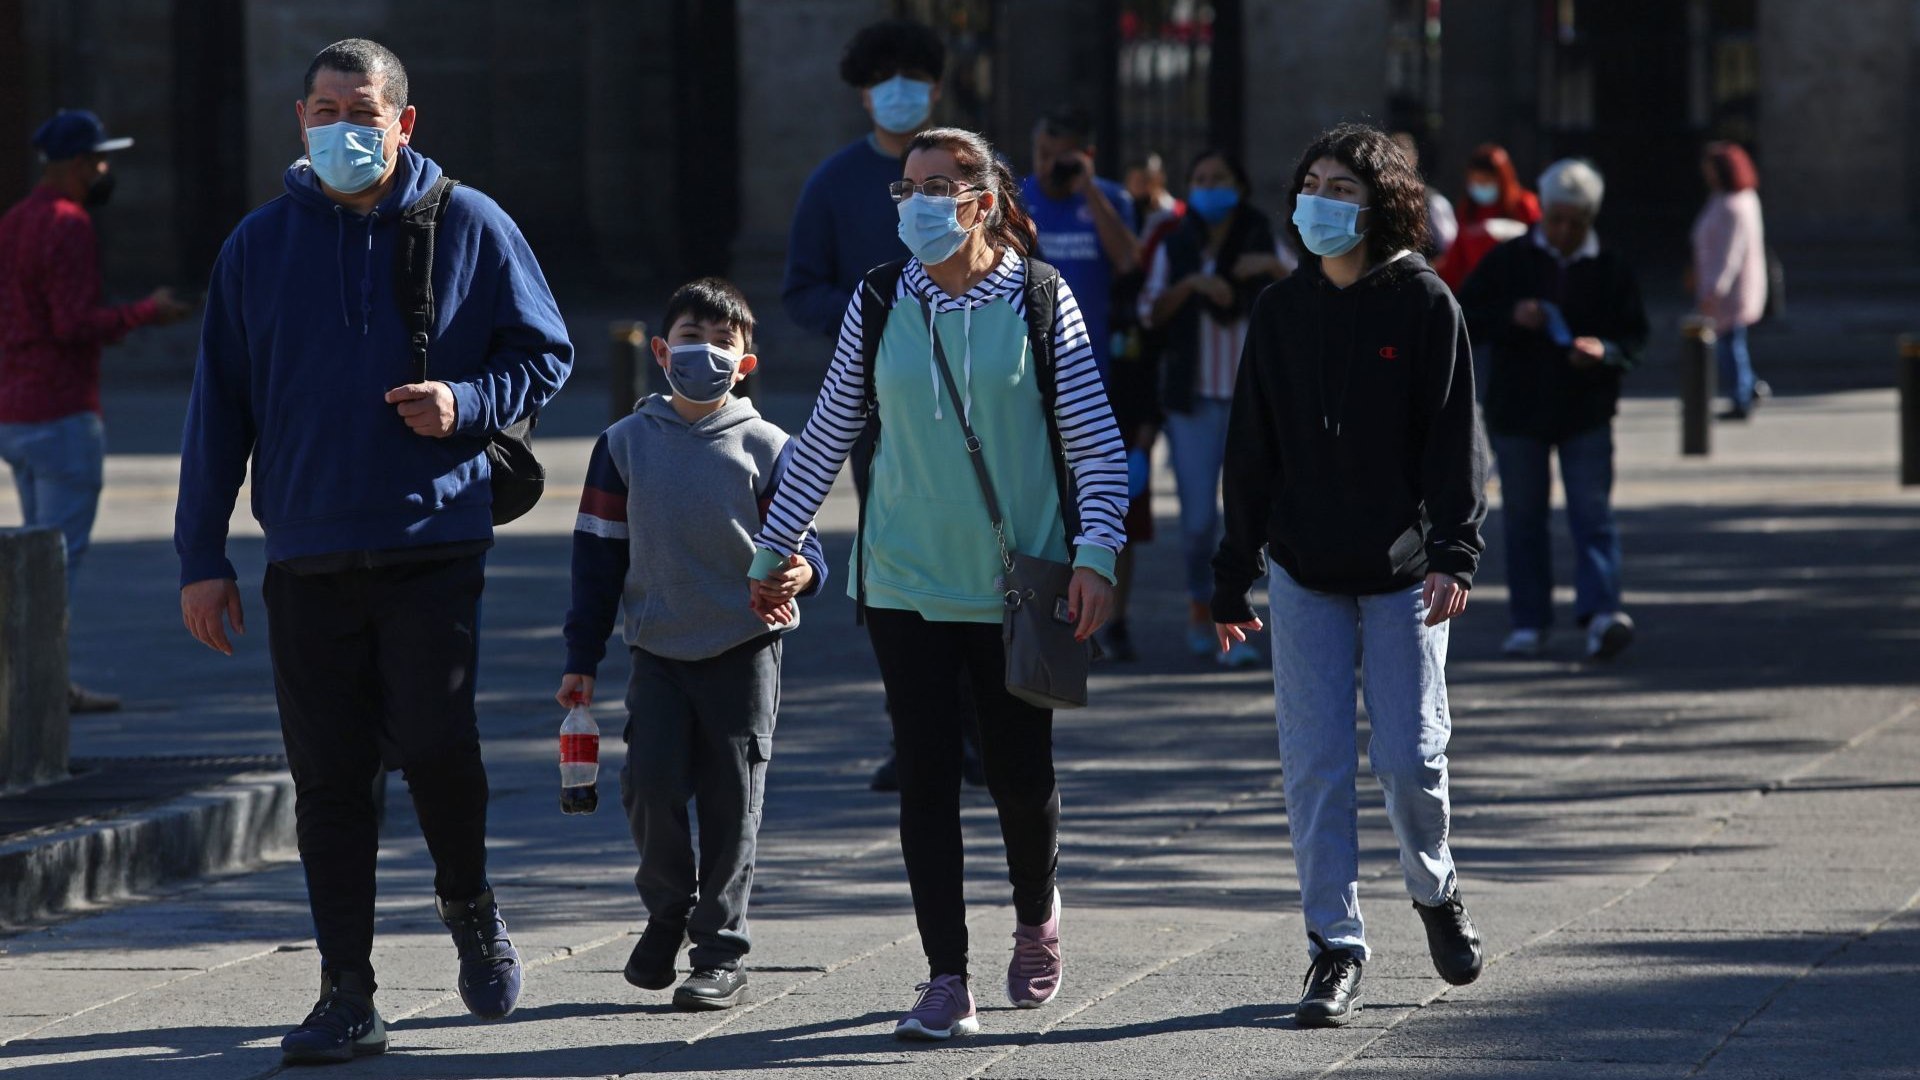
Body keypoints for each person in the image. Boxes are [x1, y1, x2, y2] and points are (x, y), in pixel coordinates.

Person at [172, 39, 573, 1065]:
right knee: (330, 780)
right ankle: (346, 992)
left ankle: (468, 903)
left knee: (438, 746)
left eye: (362, 111)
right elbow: (217, 409)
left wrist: (467, 403)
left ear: (404, 121)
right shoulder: (257, 245)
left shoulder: (469, 222)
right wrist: (200, 556)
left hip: (430, 538)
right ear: (299, 120)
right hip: (305, 547)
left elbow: (546, 351)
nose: (342, 128)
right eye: (324, 111)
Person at [751, 127, 1126, 1040]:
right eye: (906, 188)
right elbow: (828, 429)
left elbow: (1095, 443)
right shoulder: (881, 297)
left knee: (1018, 776)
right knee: (924, 778)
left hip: (1016, 585)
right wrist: (772, 547)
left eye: (935, 187)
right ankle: (946, 977)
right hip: (901, 579)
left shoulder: (1040, 297)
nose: (915, 204)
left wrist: (1098, 555)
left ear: (981, 202)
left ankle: (1035, 915)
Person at [1213, 124, 1487, 1029]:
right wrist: (1233, 569)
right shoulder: (1280, 311)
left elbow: (1456, 441)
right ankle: (1335, 945)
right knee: (1316, 766)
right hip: (1303, 570)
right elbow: (1251, 448)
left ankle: (1435, 887)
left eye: (1342, 188)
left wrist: (1454, 552)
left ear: (1380, 206)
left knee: (1410, 756)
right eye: (1312, 184)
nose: (1321, 201)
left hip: (1405, 572)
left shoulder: (1425, 303)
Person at [559, 279, 827, 1013]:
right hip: (658, 653)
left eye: (722, 343)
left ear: (746, 364)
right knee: (648, 786)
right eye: (690, 338)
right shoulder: (622, 445)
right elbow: (596, 561)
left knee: (732, 804)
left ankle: (719, 951)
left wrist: (801, 574)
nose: (704, 353)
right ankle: (668, 908)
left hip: (745, 650)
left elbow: (810, 554)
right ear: (659, 350)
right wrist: (581, 660)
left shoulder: (770, 446)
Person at [782, 19, 983, 793]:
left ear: (936, 89)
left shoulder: (973, 176)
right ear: (864, 95)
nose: (899, 93)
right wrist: (875, 316)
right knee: (897, 566)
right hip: (880, 407)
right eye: (883, 80)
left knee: (980, 560)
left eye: (914, 79)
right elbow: (802, 289)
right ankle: (917, 733)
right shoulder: (833, 183)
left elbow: (1014, 268)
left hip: (976, 403)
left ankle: (980, 729)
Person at [0, 109, 192, 713]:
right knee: (57, 564)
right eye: (102, 161)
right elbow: (73, 323)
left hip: (15, 413)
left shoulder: (15, 221)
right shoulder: (69, 224)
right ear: (80, 164)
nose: (107, 171)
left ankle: (36, 687)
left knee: (36, 560)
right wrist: (146, 313)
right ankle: (39, 693)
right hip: (61, 413)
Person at [1461, 159, 1648, 662]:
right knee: (1523, 517)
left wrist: (1604, 352)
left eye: (1575, 222)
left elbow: (1635, 336)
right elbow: (1465, 313)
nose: (1564, 231)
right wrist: (1511, 315)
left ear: (1590, 220)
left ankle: (1602, 612)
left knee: (1592, 514)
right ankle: (1529, 620)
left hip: (1584, 409)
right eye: (1556, 219)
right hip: (1519, 409)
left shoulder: (1609, 266)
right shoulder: (1511, 259)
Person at [1138, 149, 1292, 667]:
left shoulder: (1261, 235)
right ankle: (1200, 606)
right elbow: (1149, 311)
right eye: (1200, 179)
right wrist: (1191, 285)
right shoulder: (1175, 242)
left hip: (1255, 404)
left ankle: (1240, 619)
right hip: (1194, 402)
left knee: (1253, 519)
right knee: (1199, 521)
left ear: (1240, 186)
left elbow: (1305, 292)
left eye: (1219, 177)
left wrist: (1269, 266)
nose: (1209, 187)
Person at [1022, 106, 1140, 379]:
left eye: (1061, 157)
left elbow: (1128, 261)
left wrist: (1089, 190)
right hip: (1029, 353)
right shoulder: (1016, 197)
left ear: (1086, 156)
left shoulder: (1112, 198)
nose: (1049, 167)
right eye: (1043, 155)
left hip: (1089, 354)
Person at [1692, 141, 1770, 421]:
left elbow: (1730, 253)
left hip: (1731, 288)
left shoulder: (1733, 205)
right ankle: (1750, 387)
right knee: (1732, 343)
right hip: (1727, 284)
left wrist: (1715, 289)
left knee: (1730, 345)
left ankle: (1743, 395)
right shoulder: (1730, 198)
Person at [1436, 143, 1540, 293]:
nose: (1479, 186)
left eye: (1485, 180)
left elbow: (1538, 241)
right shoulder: (1469, 210)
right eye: (1475, 181)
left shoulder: (1525, 205)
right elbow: (1455, 261)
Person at [1390, 131, 1457, 257]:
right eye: (1393, 158)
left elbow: (1450, 247)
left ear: (1414, 158)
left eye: (1403, 157)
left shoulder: (1433, 201)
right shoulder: (1377, 198)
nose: (1398, 164)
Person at [1123, 152, 1183, 238]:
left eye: (1144, 180)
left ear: (1159, 179)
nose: (1139, 188)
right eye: (1134, 182)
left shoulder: (1176, 212)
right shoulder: (1122, 212)